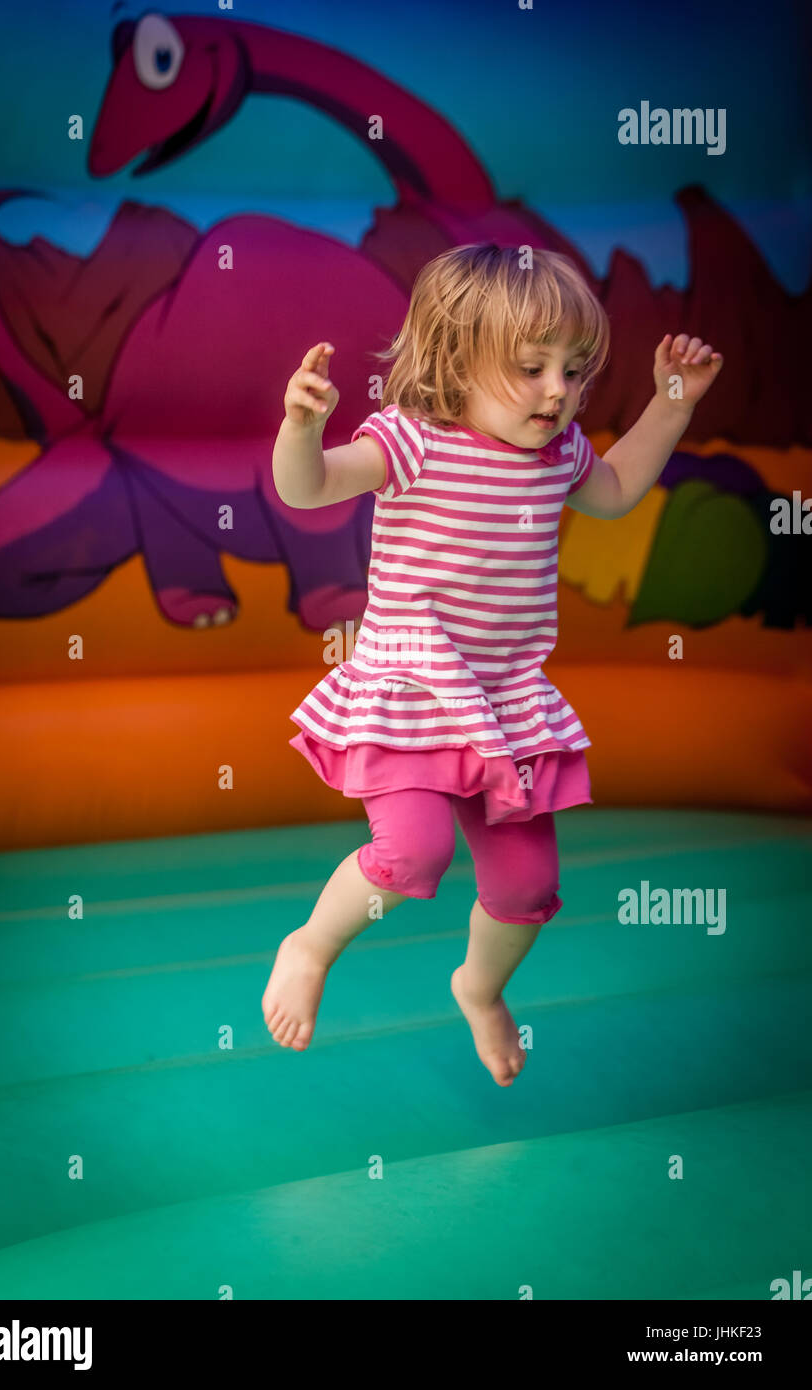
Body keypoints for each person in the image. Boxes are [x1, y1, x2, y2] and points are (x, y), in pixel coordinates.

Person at [264, 243, 723, 1086]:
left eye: (575, 371)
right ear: (455, 357)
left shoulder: (556, 455)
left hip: (505, 701)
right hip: (410, 685)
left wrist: (669, 405)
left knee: (525, 889)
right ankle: (311, 943)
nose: (558, 390)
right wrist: (300, 428)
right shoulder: (411, 442)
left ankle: (478, 989)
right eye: (531, 367)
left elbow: (617, 491)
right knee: (413, 853)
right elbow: (309, 487)